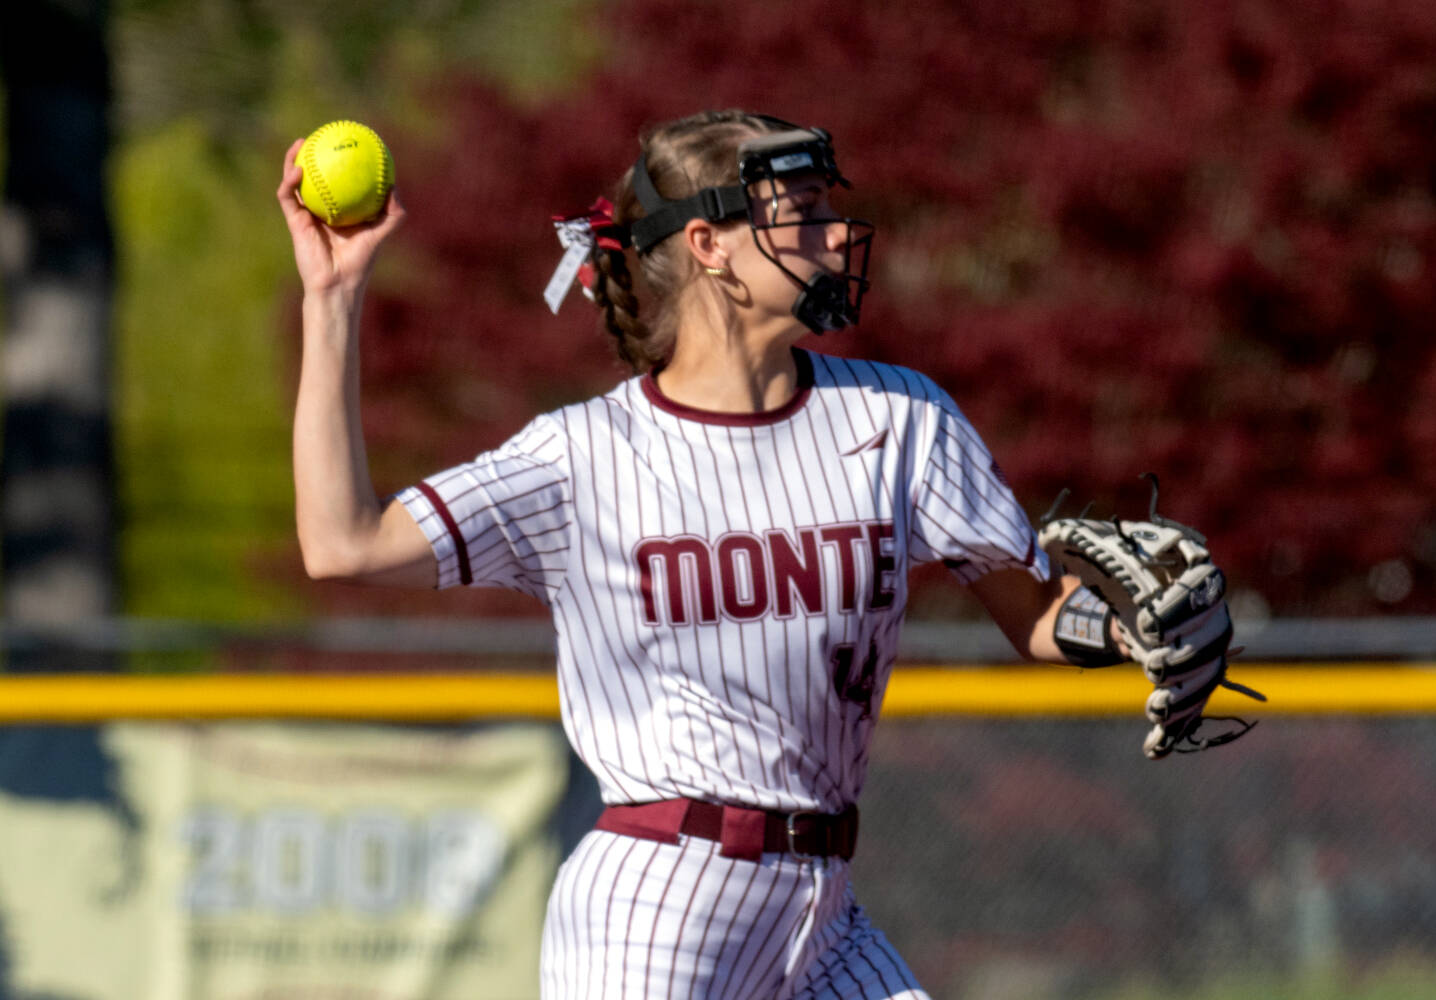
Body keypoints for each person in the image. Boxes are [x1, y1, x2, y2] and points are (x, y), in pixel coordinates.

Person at [277, 109, 1125, 1000]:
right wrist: (331, 301)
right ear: (708, 245)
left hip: (822, 911)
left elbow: (1034, 614)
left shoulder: (900, 417)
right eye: (799, 211)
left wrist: (1141, 637)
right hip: (662, 905)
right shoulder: (582, 455)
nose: (835, 233)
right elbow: (342, 544)